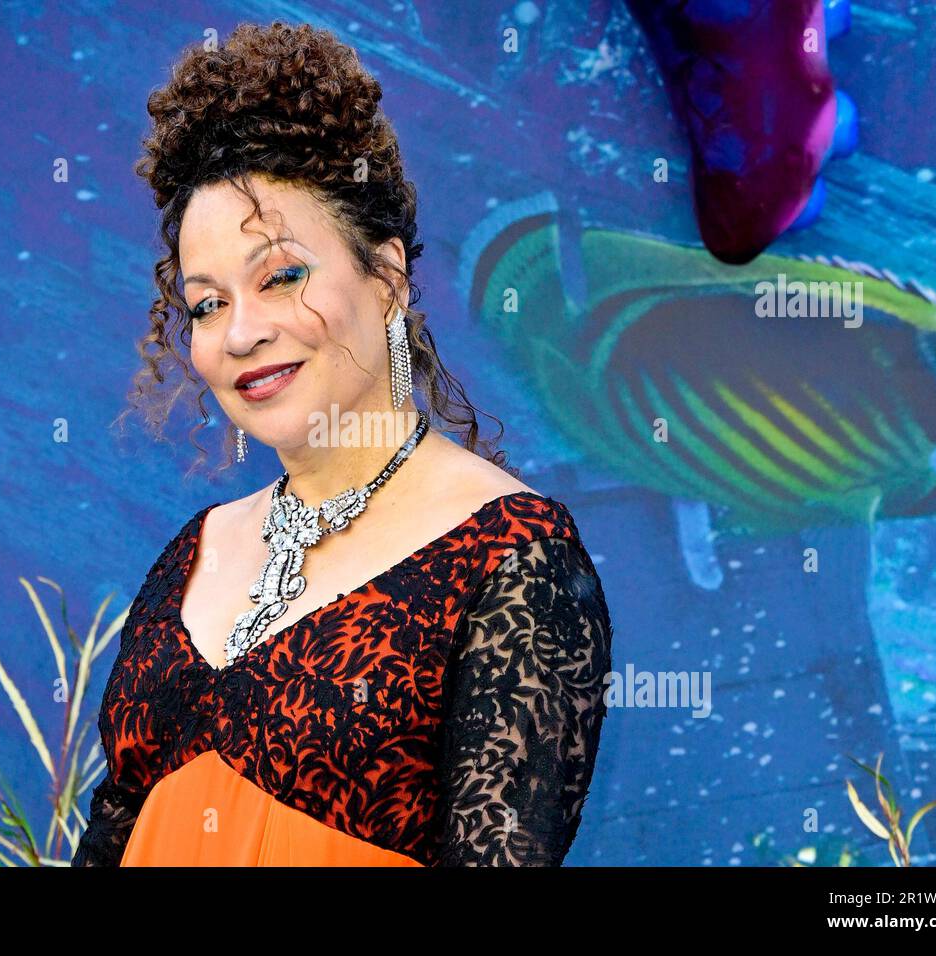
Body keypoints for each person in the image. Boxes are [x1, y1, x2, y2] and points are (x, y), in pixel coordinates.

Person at [72, 20, 613, 867]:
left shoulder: (513, 556)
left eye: (280, 276)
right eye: (208, 303)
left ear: (388, 276)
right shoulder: (195, 551)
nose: (241, 332)